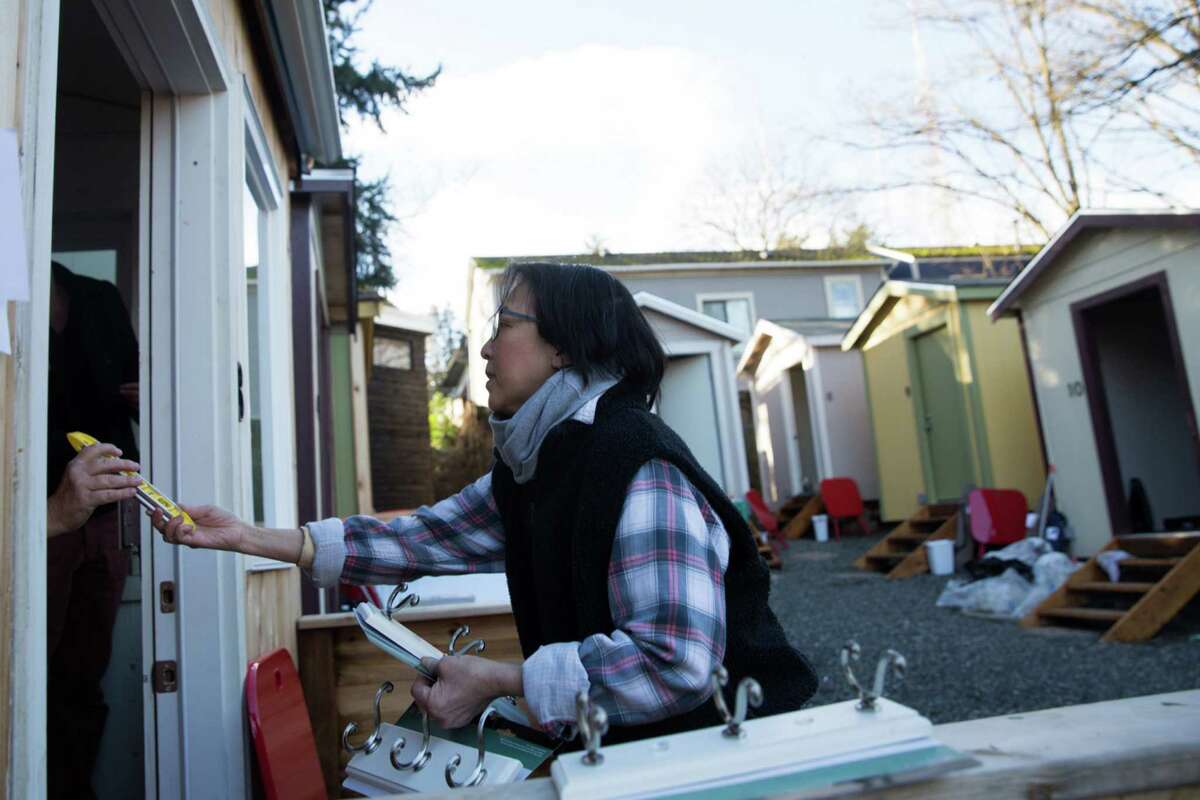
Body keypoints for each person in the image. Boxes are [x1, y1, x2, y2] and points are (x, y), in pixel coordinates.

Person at [152, 262, 817, 743]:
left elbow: (674, 662)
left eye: (504, 325)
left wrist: (501, 681)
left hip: (731, 753)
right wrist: (247, 536)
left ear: (562, 346)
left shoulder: (637, 465)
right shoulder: (536, 466)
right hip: (635, 754)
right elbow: (420, 539)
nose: (487, 347)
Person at [46, 261, 142, 800]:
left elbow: (140, 382)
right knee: (31, 669)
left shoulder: (100, 299)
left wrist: (148, 398)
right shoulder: (14, 304)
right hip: (38, 522)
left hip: (107, 519)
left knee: (85, 678)